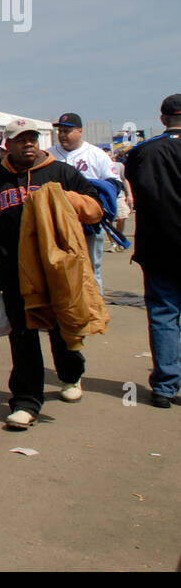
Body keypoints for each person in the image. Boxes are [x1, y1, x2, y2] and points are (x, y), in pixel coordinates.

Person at [0, 119, 103, 428]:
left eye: (32, 138)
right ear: (9, 144)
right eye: (21, 139)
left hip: (56, 271)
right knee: (22, 338)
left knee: (61, 329)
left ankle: (71, 375)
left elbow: (96, 210)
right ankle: (26, 401)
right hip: (14, 272)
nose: (28, 144)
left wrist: (63, 197)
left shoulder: (61, 172)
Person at [124, 94, 181, 409]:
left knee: (163, 314)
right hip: (162, 244)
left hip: (158, 245)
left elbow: (138, 189)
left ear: (163, 119)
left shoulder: (142, 152)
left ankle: (165, 386)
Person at [50, 113, 117, 292]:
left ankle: (95, 314)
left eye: (67, 131)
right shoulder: (49, 155)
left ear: (80, 131)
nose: (62, 134)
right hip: (56, 222)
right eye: (60, 131)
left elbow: (113, 184)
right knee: (58, 269)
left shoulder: (96, 154)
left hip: (87, 222)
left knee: (91, 269)